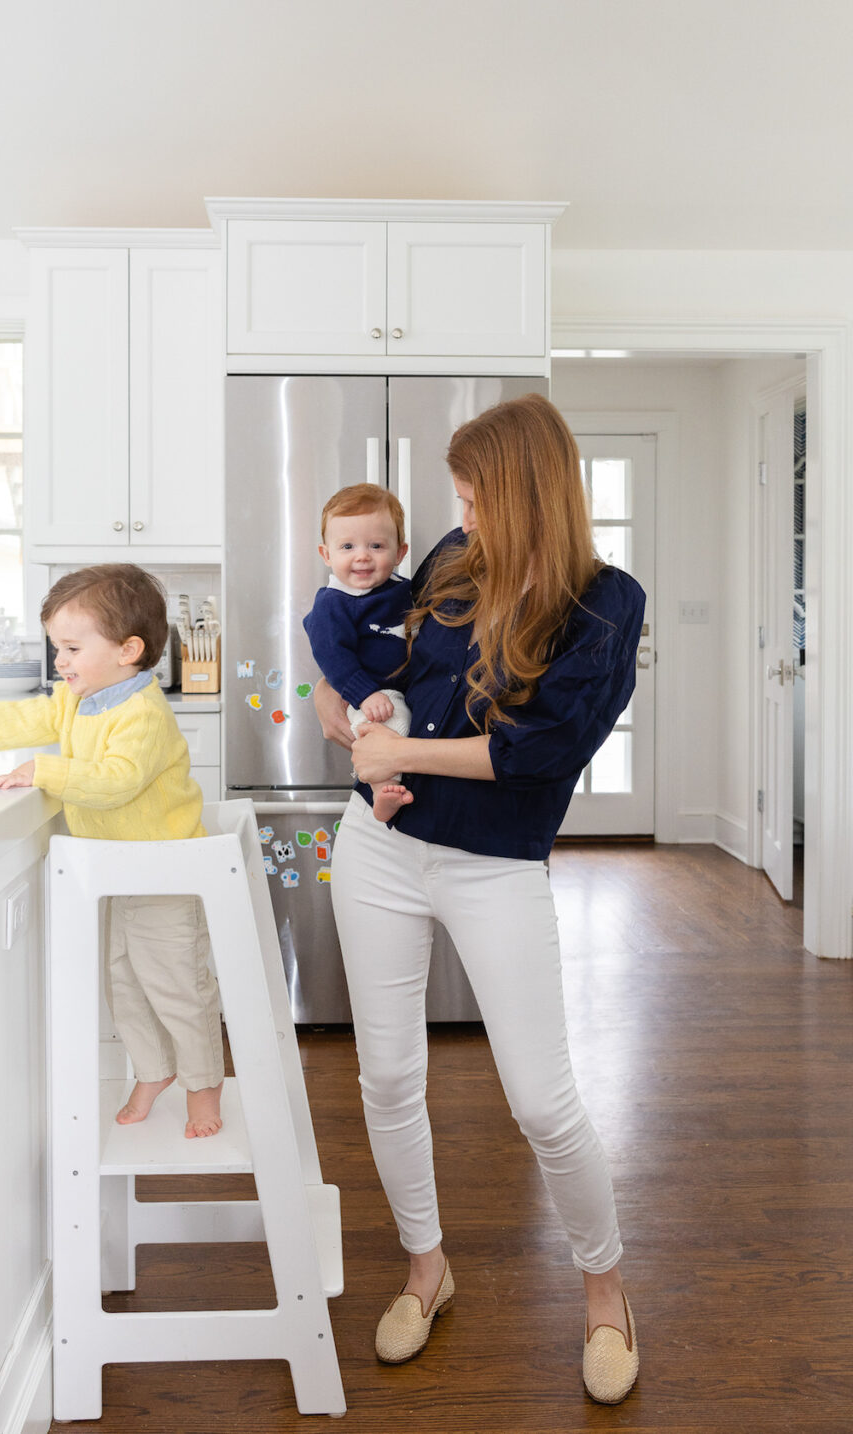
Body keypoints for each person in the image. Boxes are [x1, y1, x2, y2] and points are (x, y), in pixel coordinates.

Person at [314, 394, 645, 1404]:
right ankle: (427, 1268)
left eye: (475, 496)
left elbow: (540, 750)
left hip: (493, 860)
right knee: (387, 1081)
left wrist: (397, 748)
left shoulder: (605, 601)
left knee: (543, 1102)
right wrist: (344, 720)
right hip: (377, 844)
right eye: (458, 497)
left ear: (529, 494)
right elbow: (382, 668)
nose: (461, 516)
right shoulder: (455, 559)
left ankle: (605, 1293)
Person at [0, 563, 225, 1140]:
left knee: (178, 988)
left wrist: (44, 771)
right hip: (117, 874)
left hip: (165, 876)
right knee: (124, 985)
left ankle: (204, 1084)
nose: (59, 662)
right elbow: (16, 716)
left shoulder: (142, 713)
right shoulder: (80, 698)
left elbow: (117, 779)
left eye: (71, 648)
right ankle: (154, 1071)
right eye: (57, 648)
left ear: (129, 650)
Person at [302, 483, 414, 822]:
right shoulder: (332, 604)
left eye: (376, 545)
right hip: (372, 696)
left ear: (400, 552)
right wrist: (365, 695)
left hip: (401, 690)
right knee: (391, 727)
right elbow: (333, 658)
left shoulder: (405, 592)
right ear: (326, 554)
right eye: (347, 546)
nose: (362, 555)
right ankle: (381, 791)